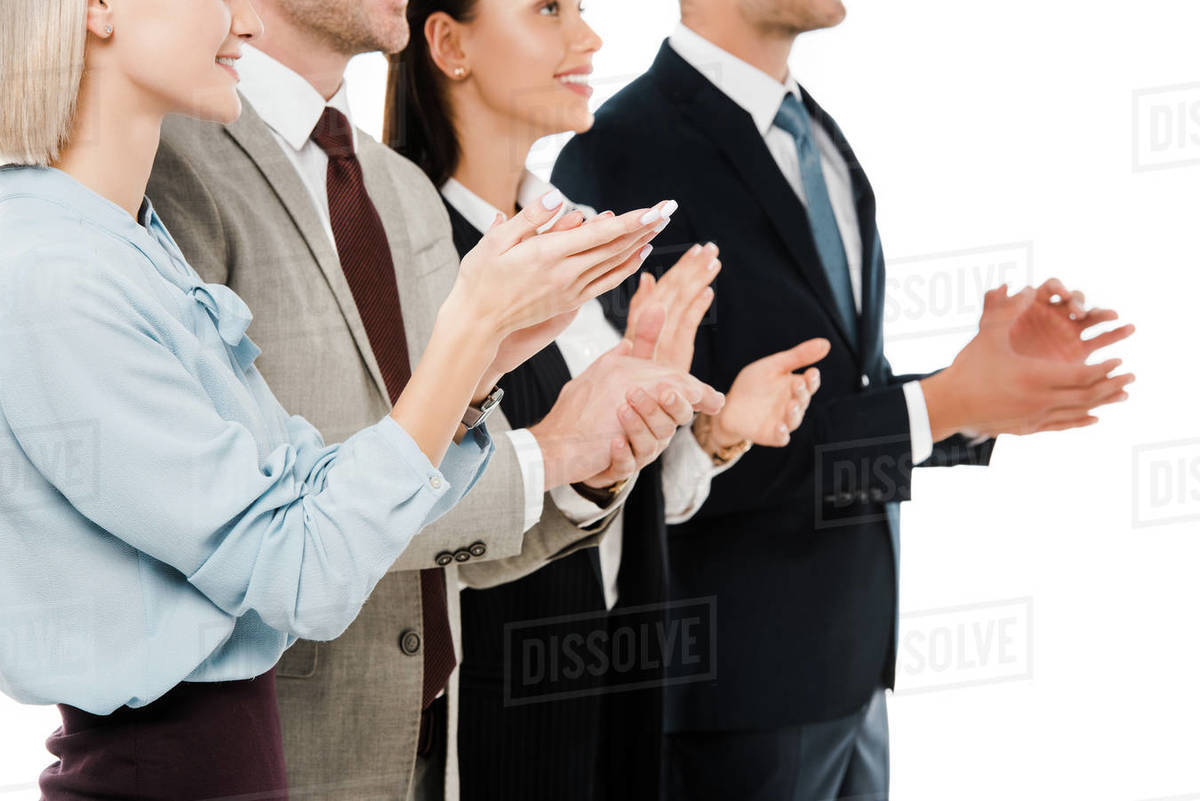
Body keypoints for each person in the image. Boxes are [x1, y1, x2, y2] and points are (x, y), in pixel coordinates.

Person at [0, 1, 692, 799]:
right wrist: (470, 333)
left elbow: (302, 491)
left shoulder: (130, 239)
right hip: (182, 768)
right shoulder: (57, 266)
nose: (245, 23)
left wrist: (473, 370)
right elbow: (297, 565)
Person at [552, 1, 1138, 799]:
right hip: (733, 694)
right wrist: (947, 401)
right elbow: (670, 456)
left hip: (857, 673)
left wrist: (980, 391)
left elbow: (833, 389)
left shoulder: (817, 135)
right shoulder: (619, 151)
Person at [386, 2, 831, 798]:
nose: (587, 39)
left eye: (583, 11)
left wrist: (708, 428)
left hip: (614, 695)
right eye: (549, 9)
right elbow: (404, 512)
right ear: (450, 44)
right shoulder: (413, 257)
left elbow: (599, 500)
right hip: (501, 721)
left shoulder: (576, 235)